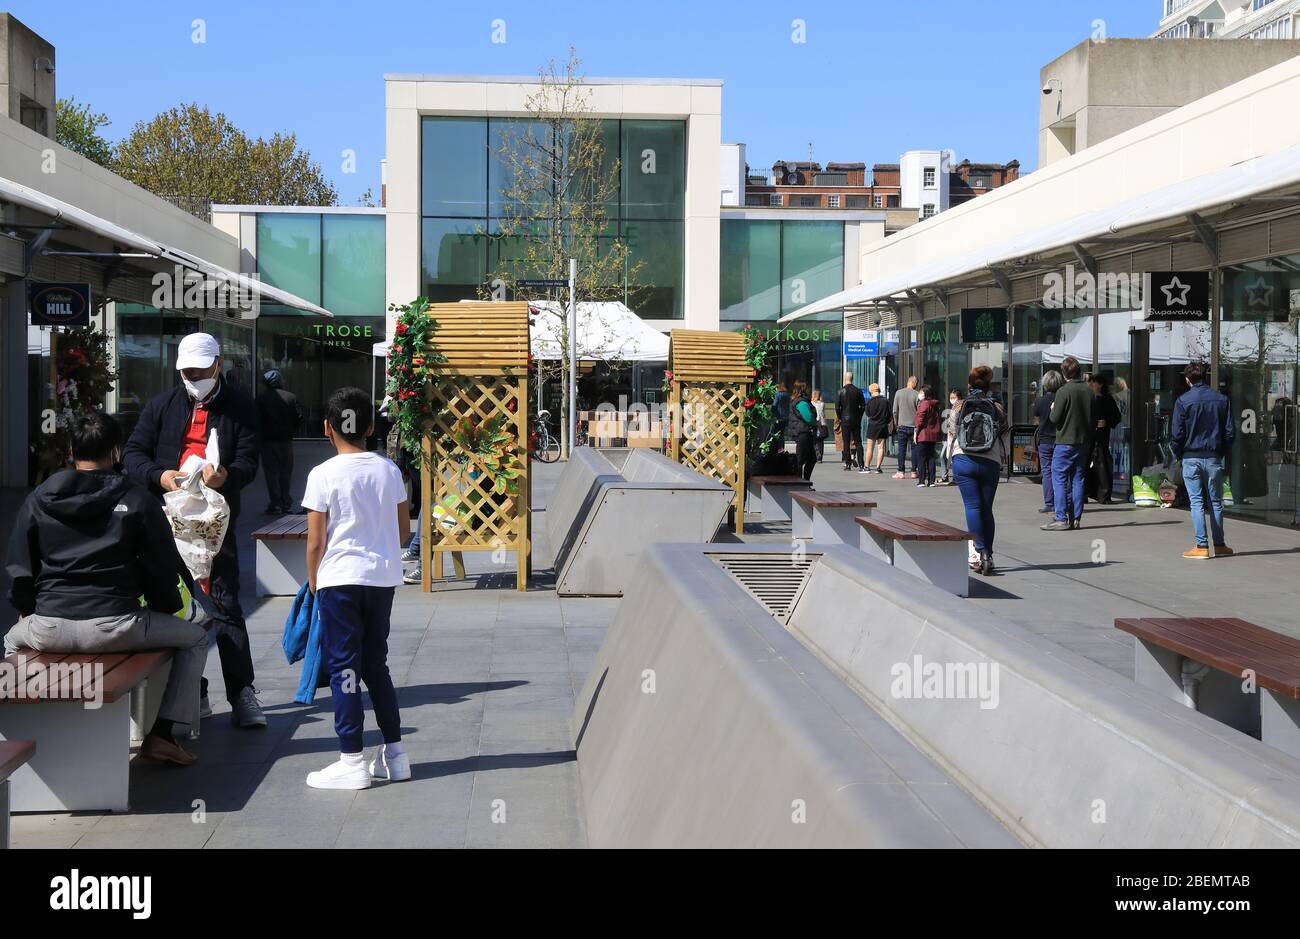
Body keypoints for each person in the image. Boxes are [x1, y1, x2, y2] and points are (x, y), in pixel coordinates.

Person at [5, 413, 209, 765]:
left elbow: (19, 567)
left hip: (49, 626)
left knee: (11, 640)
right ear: (115, 451)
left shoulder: (39, 498)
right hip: (118, 626)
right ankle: (161, 734)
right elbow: (161, 566)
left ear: (71, 450)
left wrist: (29, 609)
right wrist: (164, 606)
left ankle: (16, 736)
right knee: (196, 638)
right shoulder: (135, 498)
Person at [123, 332, 266, 729]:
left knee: (225, 605)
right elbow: (133, 454)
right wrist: (161, 475)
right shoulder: (162, 406)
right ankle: (194, 692)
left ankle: (242, 693)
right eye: (186, 371)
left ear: (218, 365)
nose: (193, 377)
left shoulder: (240, 407)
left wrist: (226, 476)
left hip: (214, 522)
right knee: (174, 606)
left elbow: (250, 460)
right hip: (167, 523)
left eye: (200, 370)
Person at [303, 387, 411, 789]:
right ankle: (396, 755)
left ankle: (351, 759)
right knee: (374, 664)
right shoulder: (389, 471)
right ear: (370, 426)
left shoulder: (321, 475)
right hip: (381, 579)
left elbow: (316, 542)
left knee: (344, 669)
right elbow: (402, 532)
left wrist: (314, 584)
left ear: (327, 428)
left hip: (339, 580)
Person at [1171, 362, 1235, 560]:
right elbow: (1230, 432)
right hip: (1213, 456)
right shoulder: (1221, 399)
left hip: (1191, 456)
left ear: (1187, 379)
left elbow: (1176, 434)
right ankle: (1220, 544)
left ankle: (1201, 545)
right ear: (1205, 377)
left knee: (1197, 502)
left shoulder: (1183, 401)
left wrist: (1179, 453)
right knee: (1216, 502)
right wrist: (1220, 452)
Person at [951, 366, 1008, 576]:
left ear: (969, 385)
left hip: (963, 459)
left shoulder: (959, 405)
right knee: (986, 508)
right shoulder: (997, 407)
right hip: (989, 462)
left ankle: (978, 550)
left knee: (972, 506)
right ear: (988, 387)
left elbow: (951, 429)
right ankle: (988, 554)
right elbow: (1004, 430)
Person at [1043, 356, 1093, 532]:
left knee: (1059, 478)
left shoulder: (1063, 391)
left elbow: (1054, 418)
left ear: (1064, 374)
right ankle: (1076, 518)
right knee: (1078, 479)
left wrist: (1052, 409)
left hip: (1065, 441)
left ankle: (1060, 518)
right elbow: (1093, 418)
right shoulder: (1089, 391)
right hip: (1084, 442)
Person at [257, 369, 304, 515]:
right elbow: (299, 418)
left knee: (271, 473)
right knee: (285, 473)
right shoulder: (291, 397)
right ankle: (286, 502)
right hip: (286, 440)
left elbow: (256, 420)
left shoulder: (261, 399)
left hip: (268, 442)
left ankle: (276, 504)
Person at [1088, 373, 1122, 505]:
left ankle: (1104, 495)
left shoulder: (1107, 399)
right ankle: (1085, 493)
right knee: (1085, 465)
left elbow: (1116, 417)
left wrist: (1106, 422)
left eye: (1094, 382)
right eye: (1090, 382)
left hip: (1101, 437)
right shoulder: (1088, 398)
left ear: (1100, 385)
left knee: (1102, 464)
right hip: (1087, 436)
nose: (1091, 384)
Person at [1032, 371, 1064, 515]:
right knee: (1061, 472)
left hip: (1044, 440)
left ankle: (1049, 503)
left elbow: (1037, 421)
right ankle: (1062, 502)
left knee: (1047, 472)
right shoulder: (1062, 399)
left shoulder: (1039, 401)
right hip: (1060, 439)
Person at [788, 381, 819, 482]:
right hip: (803, 432)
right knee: (800, 460)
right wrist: (816, 423)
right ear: (803, 389)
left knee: (810, 459)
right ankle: (800, 482)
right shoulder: (802, 402)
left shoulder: (799, 401)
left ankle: (804, 481)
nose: (809, 390)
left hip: (802, 432)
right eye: (807, 388)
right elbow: (808, 417)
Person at [913, 384, 942, 487]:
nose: (919, 394)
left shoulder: (924, 404)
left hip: (923, 434)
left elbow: (919, 419)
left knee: (921, 458)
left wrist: (916, 431)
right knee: (931, 457)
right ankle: (932, 480)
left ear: (925, 393)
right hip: (932, 434)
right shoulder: (934, 404)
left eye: (921, 392)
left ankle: (921, 481)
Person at [836, 372, 866, 472]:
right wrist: (859, 416)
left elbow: (837, 407)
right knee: (858, 442)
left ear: (845, 378)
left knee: (846, 442)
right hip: (855, 419)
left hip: (845, 418)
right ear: (852, 378)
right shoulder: (858, 391)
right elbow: (863, 406)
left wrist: (840, 417)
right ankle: (861, 464)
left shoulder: (841, 391)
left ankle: (847, 464)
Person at [891, 376, 920, 480]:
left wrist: (896, 423)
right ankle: (913, 471)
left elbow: (894, 410)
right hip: (914, 426)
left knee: (901, 449)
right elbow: (919, 412)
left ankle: (901, 471)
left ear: (908, 382)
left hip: (902, 425)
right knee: (914, 449)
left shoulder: (898, 393)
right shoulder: (917, 395)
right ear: (915, 383)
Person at [863, 383, 891, 474]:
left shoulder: (869, 402)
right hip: (883, 426)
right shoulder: (885, 401)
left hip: (872, 426)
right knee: (881, 447)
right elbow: (889, 415)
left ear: (871, 391)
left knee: (870, 448)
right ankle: (878, 467)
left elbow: (868, 414)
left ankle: (867, 466)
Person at [938, 389, 962, 485]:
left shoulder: (960, 407)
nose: (951, 399)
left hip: (956, 436)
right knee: (943, 455)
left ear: (959, 398)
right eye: (950, 397)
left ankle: (955, 478)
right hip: (949, 436)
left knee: (954, 457)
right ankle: (945, 477)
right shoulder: (953, 407)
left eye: (953, 397)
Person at [811, 389, 827, 462]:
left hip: (815, 423)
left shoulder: (811, 403)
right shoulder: (822, 404)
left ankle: (815, 455)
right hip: (823, 424)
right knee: (821, 442)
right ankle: (820, 457)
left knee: (814, 441)